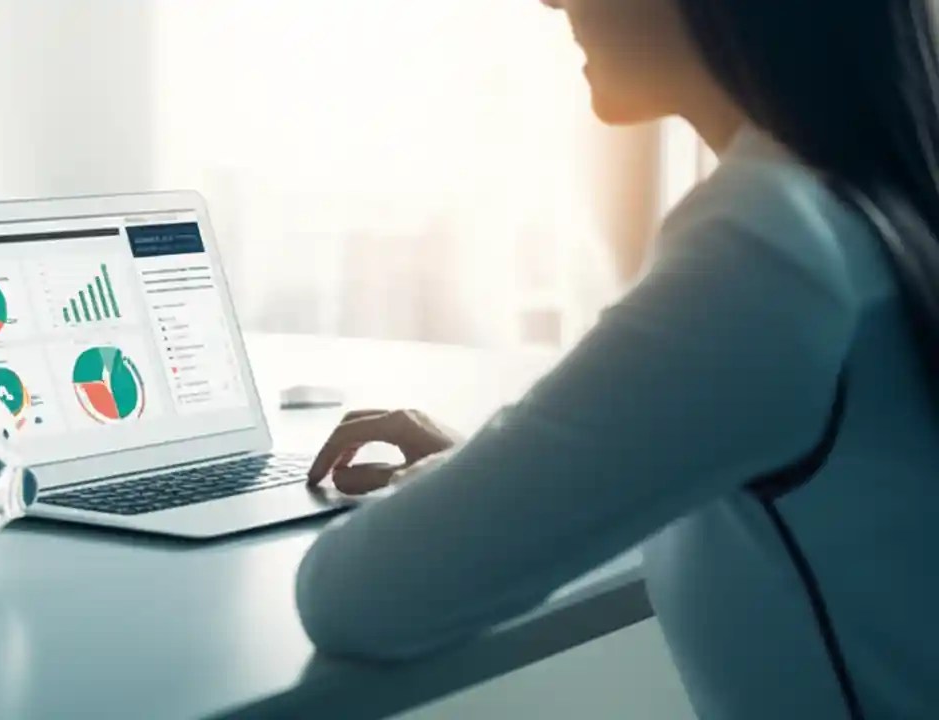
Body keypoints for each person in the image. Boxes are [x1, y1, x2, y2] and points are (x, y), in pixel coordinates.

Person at [295, 1, 939, 718]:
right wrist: (506, 470)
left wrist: (463, 495)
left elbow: (358, 597)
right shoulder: (873, 198)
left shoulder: (772, 243)